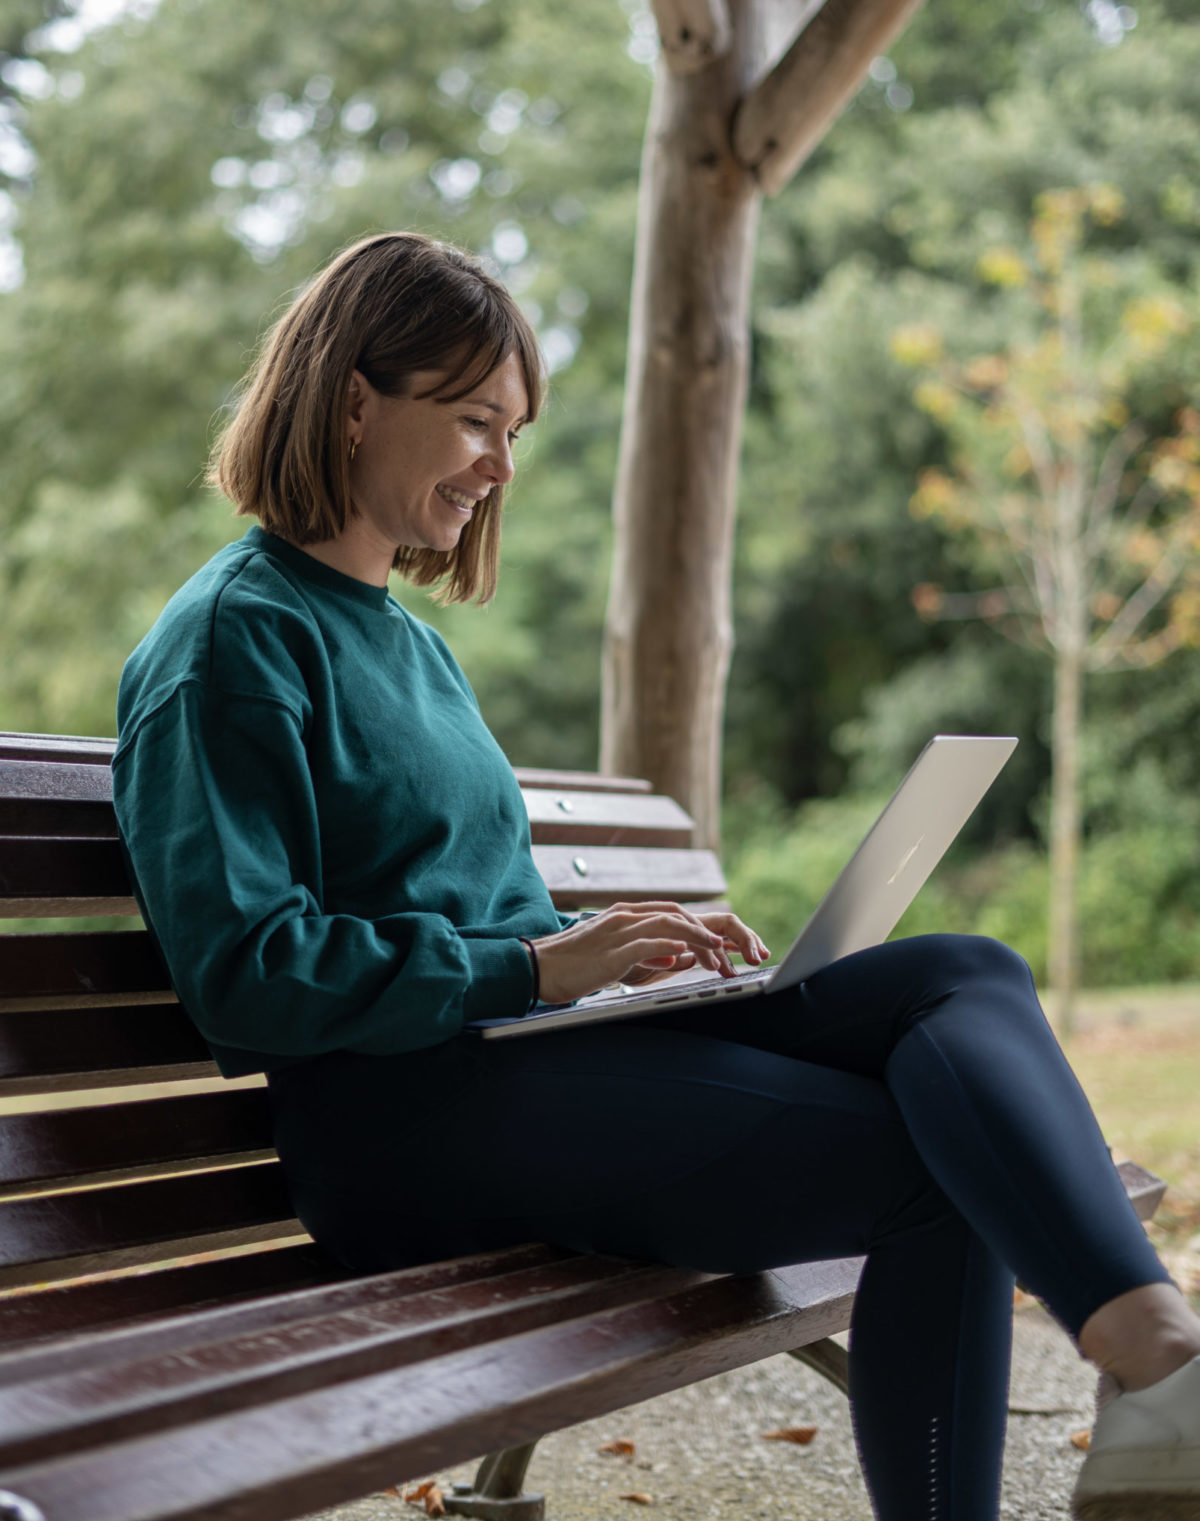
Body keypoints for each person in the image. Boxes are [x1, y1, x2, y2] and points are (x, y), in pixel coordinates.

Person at [111, 231, 1200, 1521]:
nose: (499, 468)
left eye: (514, 432)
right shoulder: (232, 638)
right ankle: (1160, 1388)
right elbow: (247, 976)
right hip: (406, 1128)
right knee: (936, 1158)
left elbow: (451, 896)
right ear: (354, 398)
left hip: (521, 1057)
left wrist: (609, 952)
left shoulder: (401, 639)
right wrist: (534, 967)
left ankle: (1162, 1367)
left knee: (960, 969)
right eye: (474, 421)